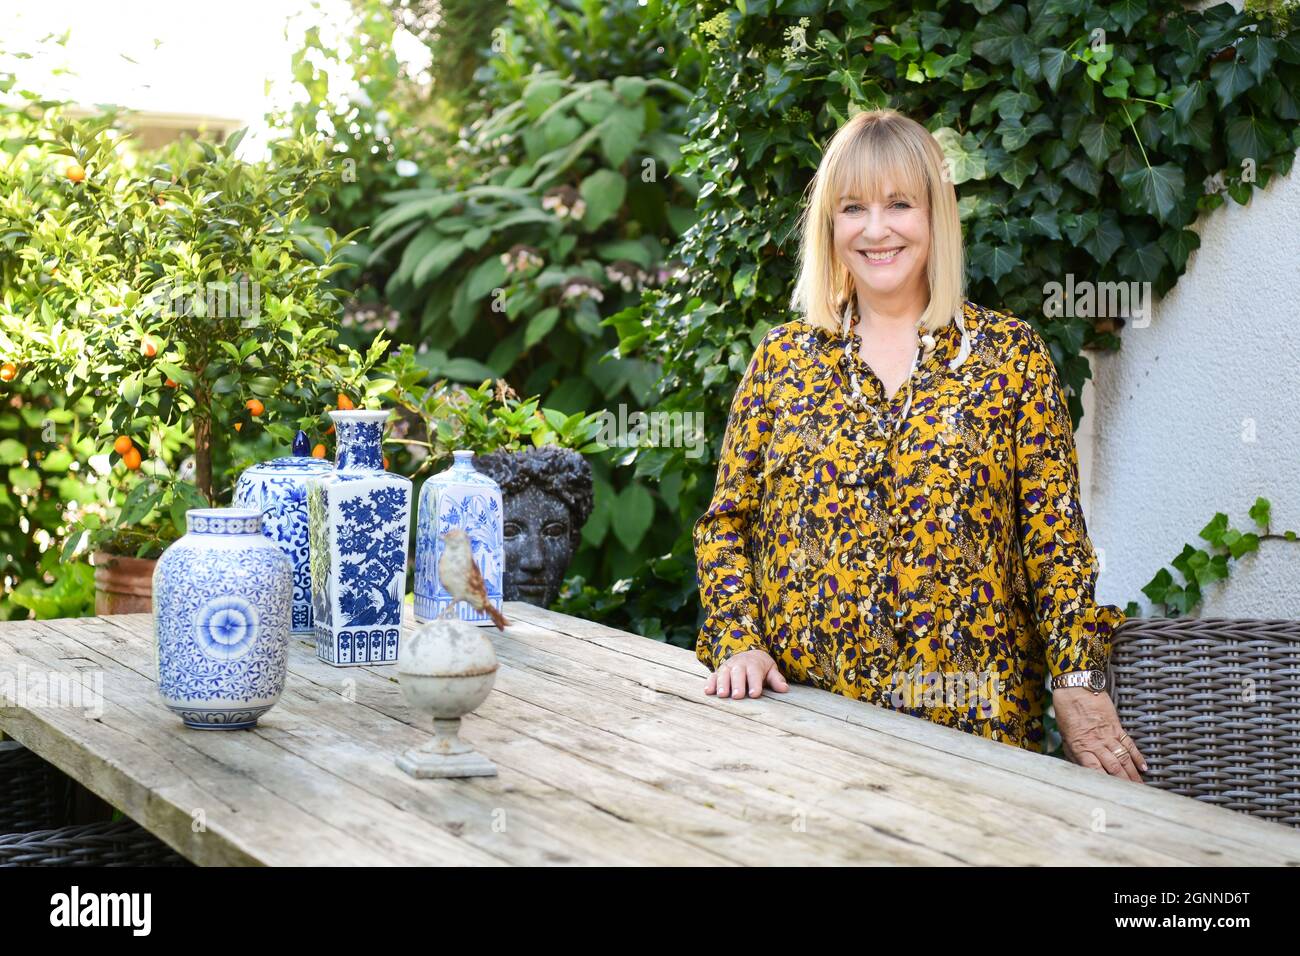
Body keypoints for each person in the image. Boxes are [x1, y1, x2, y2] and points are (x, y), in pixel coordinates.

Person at [692, 108, 1146, 781]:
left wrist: (1078, 678)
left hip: (978, 745)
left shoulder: (1011, 359)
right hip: (811, 742)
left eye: (899, 203)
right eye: (853, 208)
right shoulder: (782, 361)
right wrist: (738, 641)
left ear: (936, 215)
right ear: (830, 227)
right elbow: (726, 526)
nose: (876, 230)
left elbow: (1056, 546)